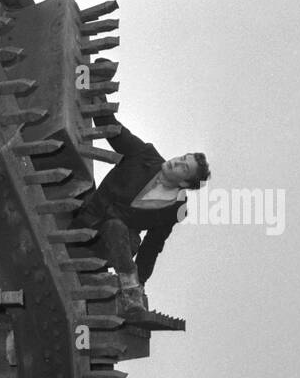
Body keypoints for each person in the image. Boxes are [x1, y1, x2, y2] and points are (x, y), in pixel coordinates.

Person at [73, 115, 210, 323]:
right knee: (110, 220)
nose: (176, 162)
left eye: (184, 167)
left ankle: (130, 292)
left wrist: (141, 281)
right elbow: (116, 132)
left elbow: (152, 246)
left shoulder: (175, 209)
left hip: (112, 243)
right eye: (183, 157)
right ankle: (129, 287)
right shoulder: (145, 155)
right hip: (88, 219)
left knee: (117, 227)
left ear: (184, 182)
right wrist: (97, 100)